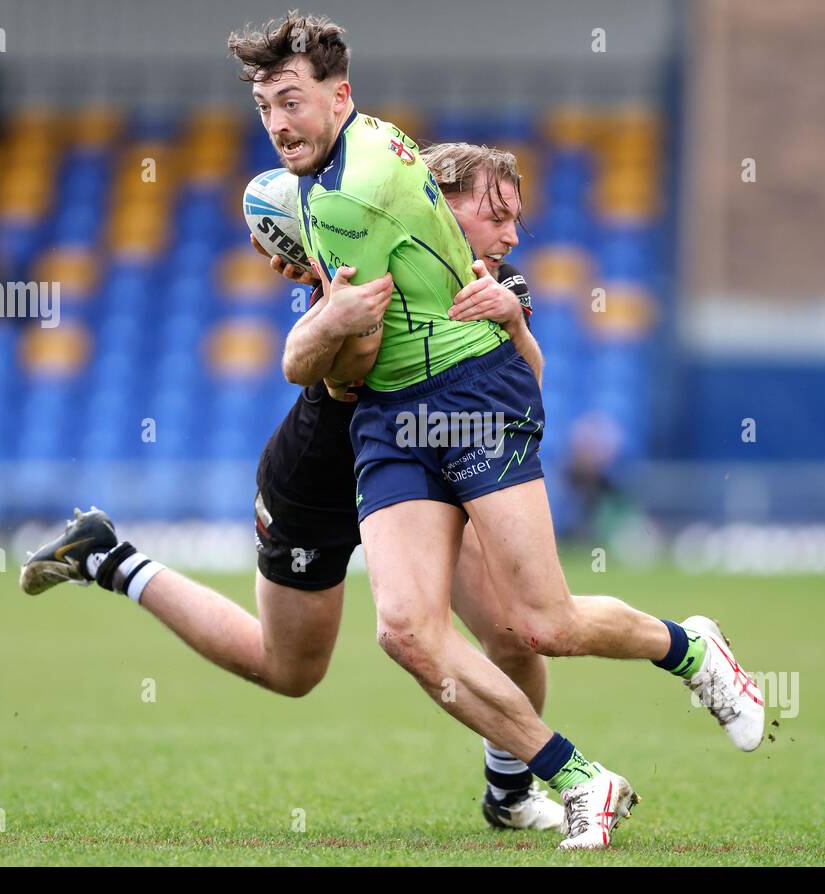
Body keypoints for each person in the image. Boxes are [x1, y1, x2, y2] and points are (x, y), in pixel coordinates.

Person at [230, 12, 766, 850]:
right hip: (391, 418)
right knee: (406, 630)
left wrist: (314, 323)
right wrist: (314, 273)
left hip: (469, 394)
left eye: (291, 101)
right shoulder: (339, 165)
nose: (278, 123)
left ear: (341, 96)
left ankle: (690, 649)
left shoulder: (351, 190)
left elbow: (344, 360)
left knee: (539, 623)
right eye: (266, 106)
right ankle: (579, 779)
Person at [22, 145, 564, 833]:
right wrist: (309, 272)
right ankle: (109, 557)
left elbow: (526, 392)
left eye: (514, 220)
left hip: (419, 479)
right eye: (495, 215)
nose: (511, 235)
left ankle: (510, 795)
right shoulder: (353, 260)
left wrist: (513, 319)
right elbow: (334, 376)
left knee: (518, 633)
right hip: (321, 479)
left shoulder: (495, 282)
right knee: (289, 670)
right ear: (433, 201)